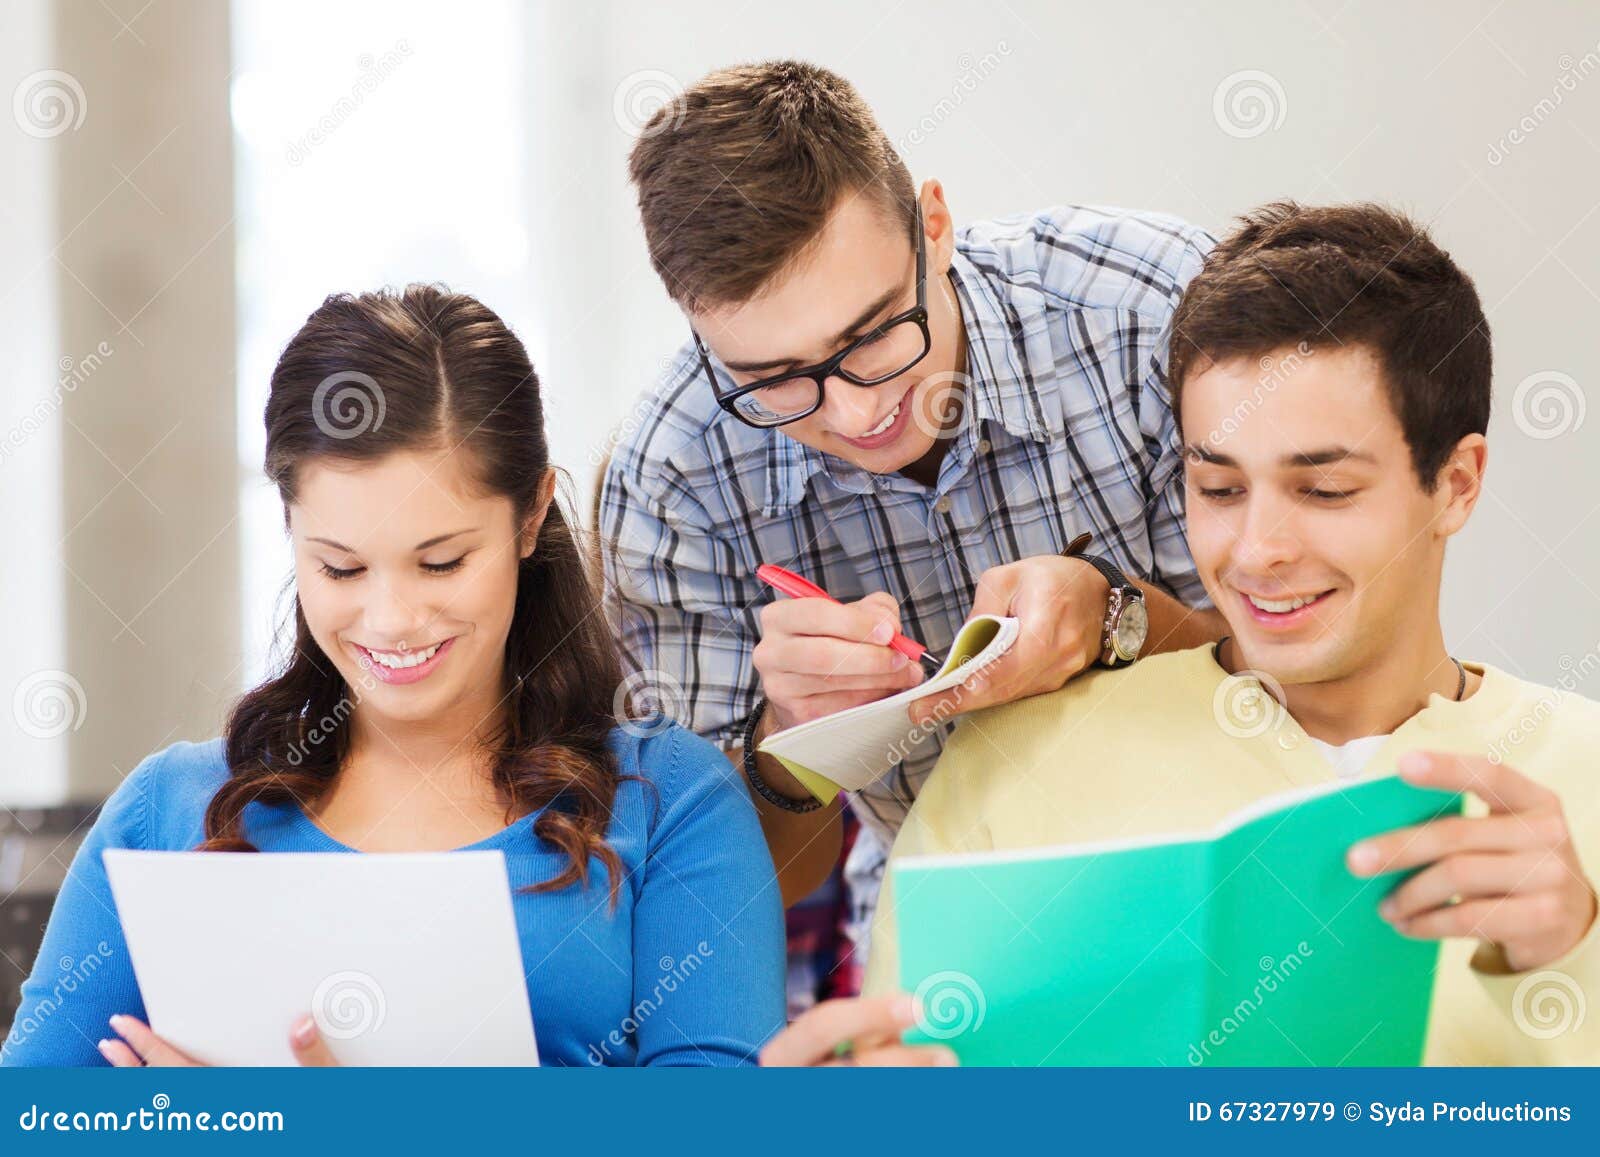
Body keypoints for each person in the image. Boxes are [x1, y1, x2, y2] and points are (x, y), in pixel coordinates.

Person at [852, 201, 1599, 1064]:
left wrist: (1574, 958)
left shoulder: (1573, 771)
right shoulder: (1010, 761)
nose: (1256, 552)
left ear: (1457, 483)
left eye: (1324, 491)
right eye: (1219, 488)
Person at [1, 286, 784, 1068]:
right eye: (340, 567)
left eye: (441, 561)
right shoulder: (168, 811)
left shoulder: (671, 799)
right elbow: (35, 1122)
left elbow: (718, 1128)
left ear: (531, 515)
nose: (391, 619)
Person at [601, 61, 1225, 938]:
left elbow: (1321, 685)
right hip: (952, 942)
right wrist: (797, 747)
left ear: (934, 226)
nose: (857, 411)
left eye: (873, 332)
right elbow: (730, 890)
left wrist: (1114, 615)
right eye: (775, 380)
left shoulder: (1151, 310)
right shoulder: (675, 477)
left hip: (1235, 875)